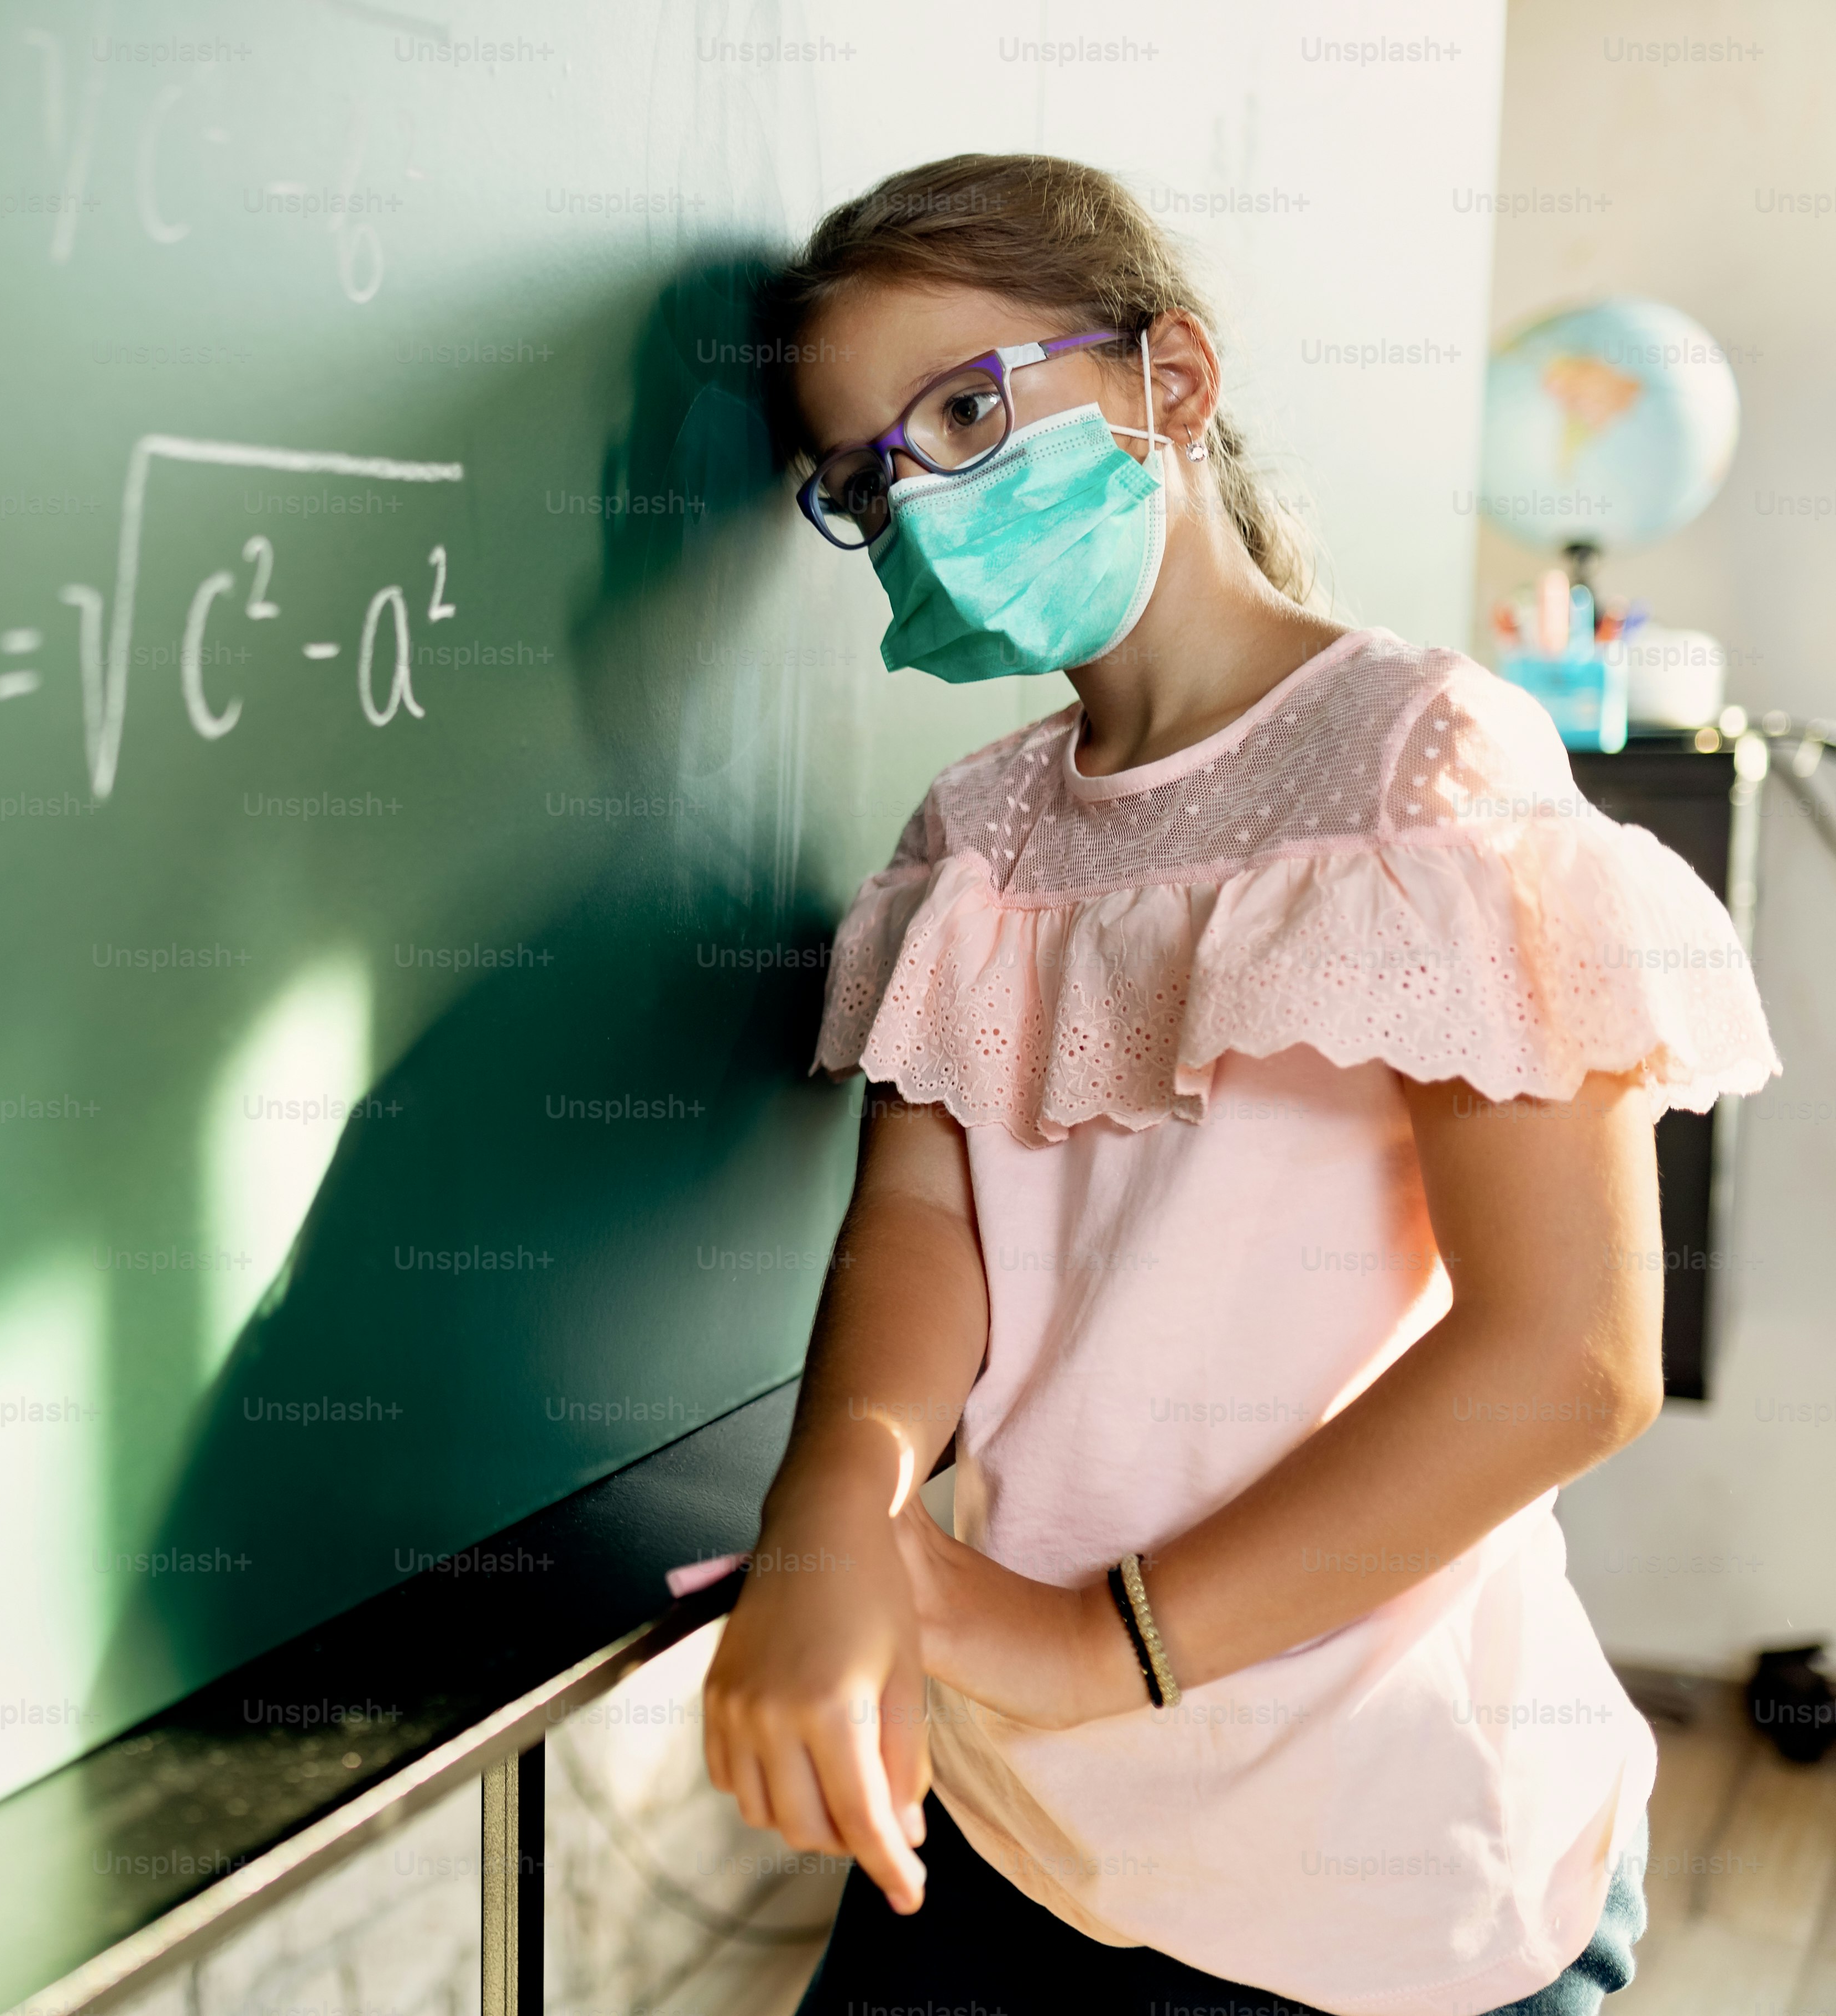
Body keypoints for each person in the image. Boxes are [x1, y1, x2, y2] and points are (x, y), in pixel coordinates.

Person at [699, 154, 1779, 2016]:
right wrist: (838, 1504)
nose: (927, 502)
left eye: (969, 411)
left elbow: (1567, 1358)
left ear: (1169, 384)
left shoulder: (1419, 761)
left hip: (1388, 1877)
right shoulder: (971, 830)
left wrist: (1081, 1643)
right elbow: (922, 1209)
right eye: (869, 477)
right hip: (1029, 1826)